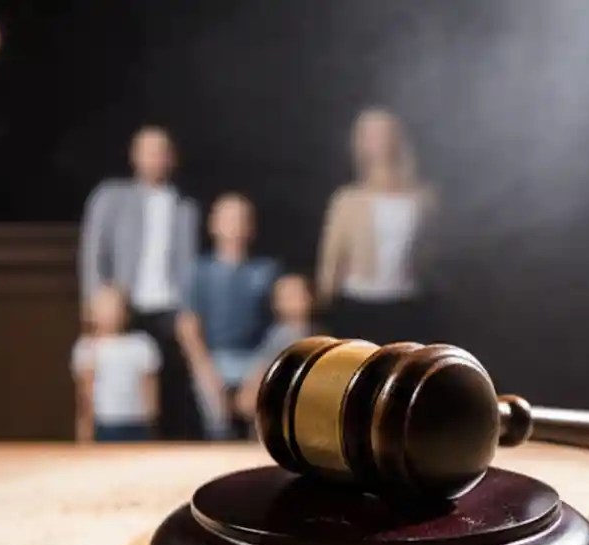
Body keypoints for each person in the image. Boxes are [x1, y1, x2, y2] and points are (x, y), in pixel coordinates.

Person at [78, 126, 202, 439]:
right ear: (134, 156)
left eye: (162, 152)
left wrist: (188, 310)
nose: (156, 158)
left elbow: (190, 266)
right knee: (117, 390)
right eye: (148, 151)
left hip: (170, 310)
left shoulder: (186, 207)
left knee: (169, 392)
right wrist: (95, 305)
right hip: (125, 307)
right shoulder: (111, 196)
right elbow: (93, 252)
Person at [316, 107, 437, 344]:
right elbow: (330, 261)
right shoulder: (347, 199)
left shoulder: (424, 198)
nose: (377, 141)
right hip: (359, 305)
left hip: (407, 304)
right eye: (369, 134)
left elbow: (433, 254)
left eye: (383, 132)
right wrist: (322, 307)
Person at [176, 193, 279, 439]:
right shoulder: (198, 271)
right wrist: (206, 371)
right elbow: (187, 327)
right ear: (213, 224)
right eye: (228, 218)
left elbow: (280, 330)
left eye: (242, 219)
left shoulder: (267, 271)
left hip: (256, 360)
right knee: (217, 420)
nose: (235, 225)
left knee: (263, 419)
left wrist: (260, 372)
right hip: (213, 359)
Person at [72, 286, 161, 443]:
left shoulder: (141, 344)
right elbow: (85, 392)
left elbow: (149, 386)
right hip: (105, 423)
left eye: (114, 306)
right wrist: (85, 428)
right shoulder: (87, 347)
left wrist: (151, 420)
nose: (109, 313)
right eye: (103, 306)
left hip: (136, 421)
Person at [235, 273, 317, 424]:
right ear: (276, 303)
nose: (293, 299)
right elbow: (257, 378)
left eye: (297, 293)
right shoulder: (278, 337)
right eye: (286, 295)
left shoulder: (316, 335)